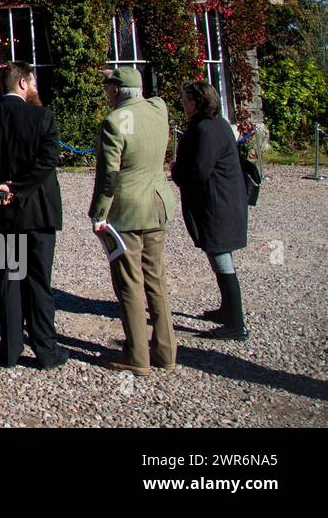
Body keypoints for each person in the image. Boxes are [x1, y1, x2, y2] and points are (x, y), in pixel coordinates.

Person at [0, 61, 67, 370]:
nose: (34, 86)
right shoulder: (42, 116)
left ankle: (9, 350)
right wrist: (17, 188)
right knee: (38, 280)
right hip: (36, 210)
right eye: (32, 81)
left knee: (10, 277)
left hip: (1, 212)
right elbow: (48, 161)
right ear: (22, 83)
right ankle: (46, 351)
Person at [89, 67, 176, 375]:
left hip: (127, 210)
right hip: (157, 204)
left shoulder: (114, 122)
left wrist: (98, 213)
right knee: (156, 280)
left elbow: (109, 176)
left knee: (129, 283)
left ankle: (137, 356)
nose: (105, 94)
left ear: (116, 91)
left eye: (108, 88)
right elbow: (155, 99)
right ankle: (166, 351)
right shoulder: (158, 110)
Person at [171, 81, 250, 341]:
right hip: (222, 199)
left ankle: (236, 324)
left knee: (221, 258)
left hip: (218, 204)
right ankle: (227, 310)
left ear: (197, 102)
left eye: (186, 99)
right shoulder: (218, 124)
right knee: (218, 256)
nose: (183, 103)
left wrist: (176, 172)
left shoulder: (206, 129)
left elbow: (200, 170)